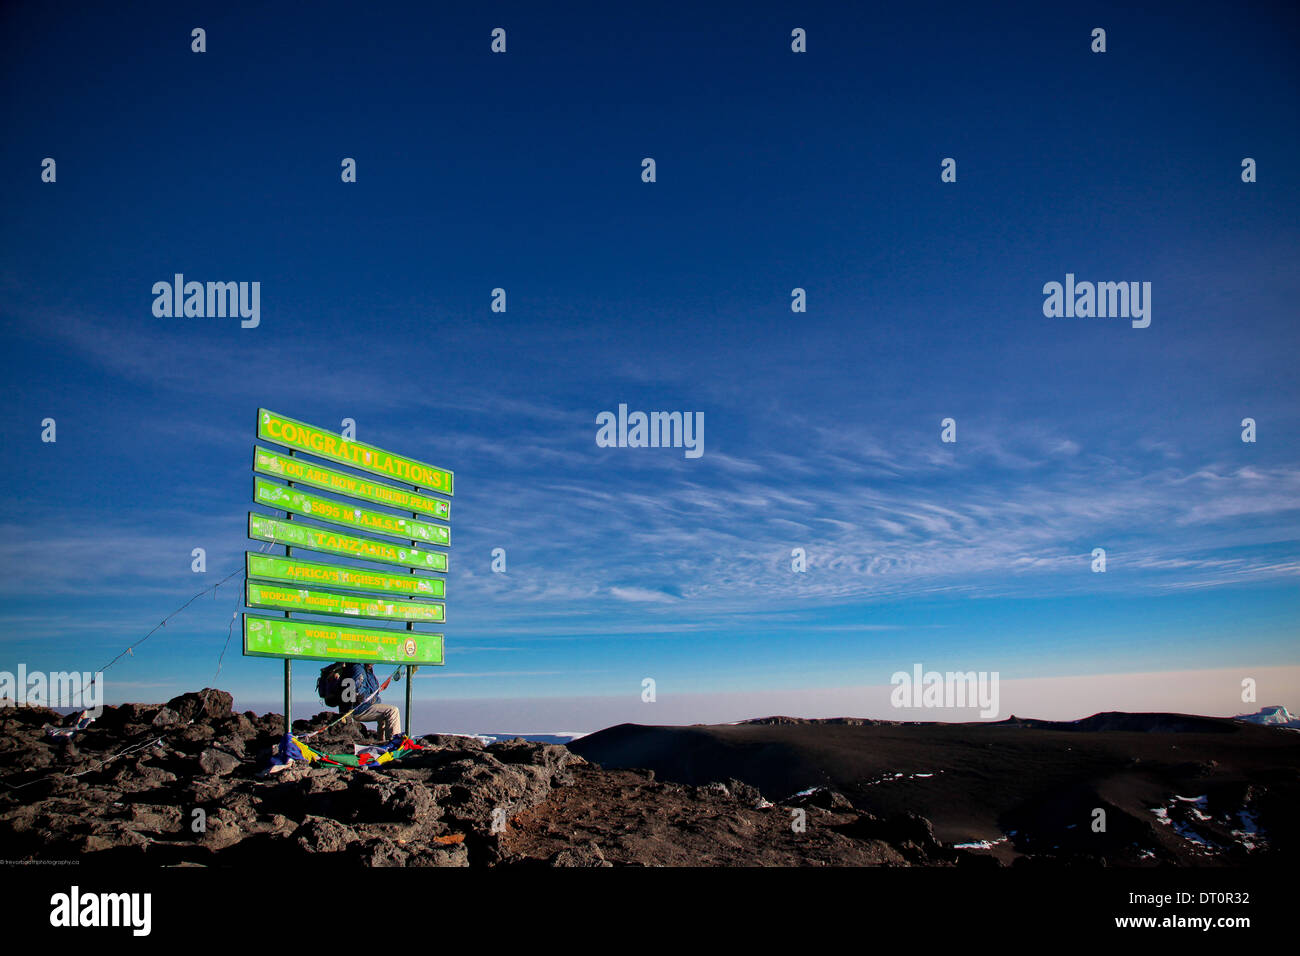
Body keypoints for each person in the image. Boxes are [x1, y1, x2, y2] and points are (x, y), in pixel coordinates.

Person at [336, 662, 401, 740]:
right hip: (356, 709)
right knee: (392, 711)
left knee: (383, 712)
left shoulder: (362, 669)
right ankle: (394, 743)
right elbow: (359, 695)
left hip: (353, 707)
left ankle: (382, 742)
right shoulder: (358, 669)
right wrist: (375, 699)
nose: (373, 663)